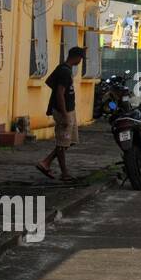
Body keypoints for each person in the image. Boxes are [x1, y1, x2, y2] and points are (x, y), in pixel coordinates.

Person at [37, 47, 85, 181]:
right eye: (80, 58)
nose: (81, 61)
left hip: (69, 109)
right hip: (64, 111)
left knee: (70, 141)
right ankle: (64, 173)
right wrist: (63, 113)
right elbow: (59, 92)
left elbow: (49, 82)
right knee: (63, 143)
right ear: (76, 57)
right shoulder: (64, 71)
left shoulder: (63, 68)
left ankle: (46, 162)